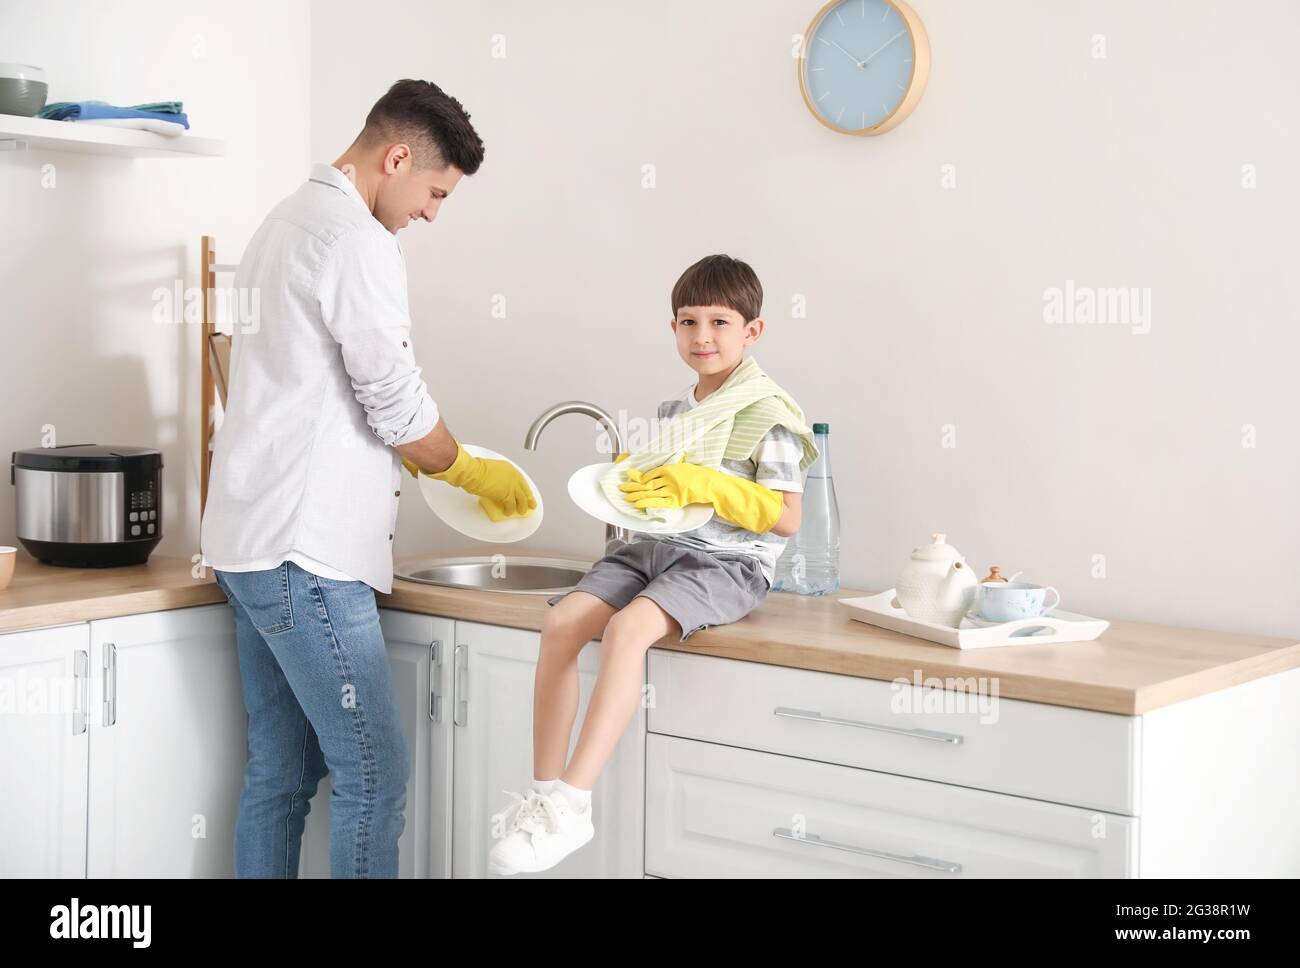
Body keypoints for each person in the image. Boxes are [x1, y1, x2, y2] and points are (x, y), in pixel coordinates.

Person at [200, 79, 534, 878]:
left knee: (281, 774)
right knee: (373, 775)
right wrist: (466, 468)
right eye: (435, 191)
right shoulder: (355, 239)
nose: (431, 213)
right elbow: (394, 401)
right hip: (306, 555)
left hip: (250, 544)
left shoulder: (284, 220)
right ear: (396, 158)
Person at [488, 254, 815, 875]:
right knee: (559, 625)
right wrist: (637, 478)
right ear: (673, 329)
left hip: (729, 562)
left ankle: (573, 802)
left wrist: (706, 483)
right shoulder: (676, 413)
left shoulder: (768, 414)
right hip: (659, 550)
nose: (703, 337)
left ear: (753, 331)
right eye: (688, 322)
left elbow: (788, 518)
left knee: (627, 629)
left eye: (720, 322)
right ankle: (541, 800)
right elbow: (661, 491)